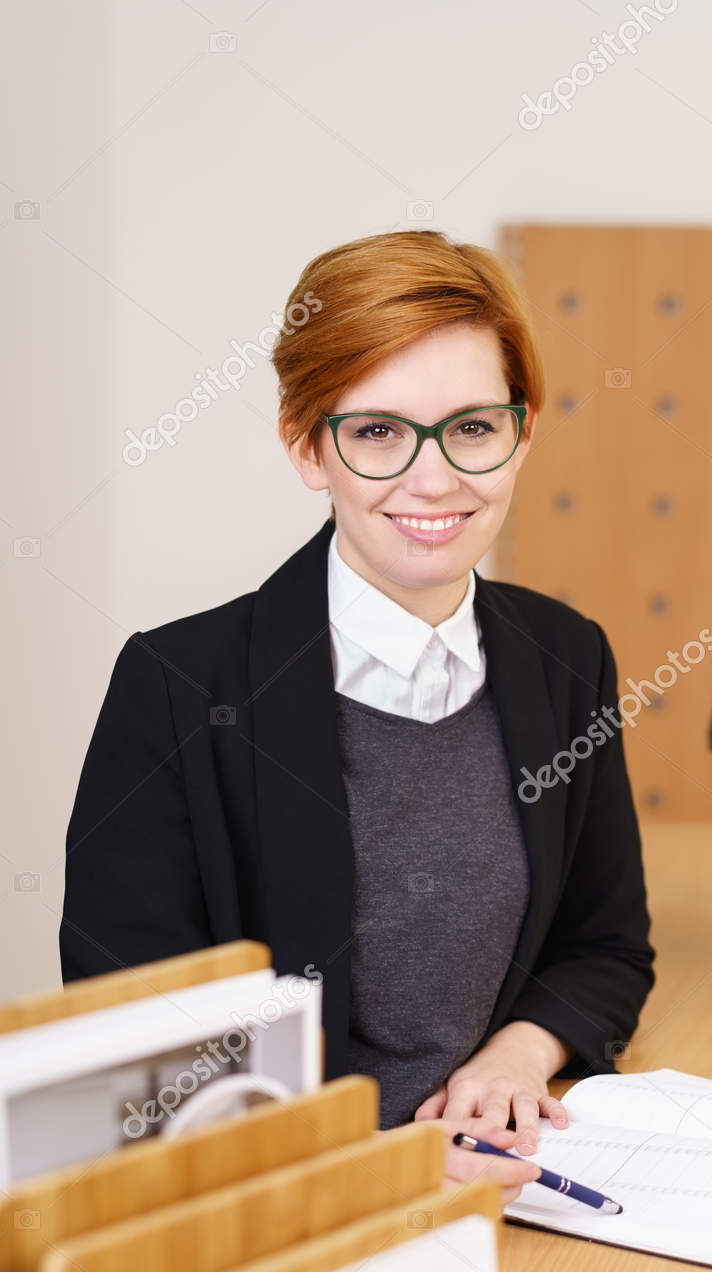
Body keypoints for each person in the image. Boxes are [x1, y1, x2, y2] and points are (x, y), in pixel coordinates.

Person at [60, 230, 655, 1201]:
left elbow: (604, 945)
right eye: (377, 432)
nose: (433, 477)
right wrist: (380, 1167)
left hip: (522, 1185)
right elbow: (136, 1056)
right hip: (286, 1209)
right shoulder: (174, 682)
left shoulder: (563, 656)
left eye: (470, 427)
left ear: (523, 431)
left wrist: (514, 1053)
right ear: (307, 446)